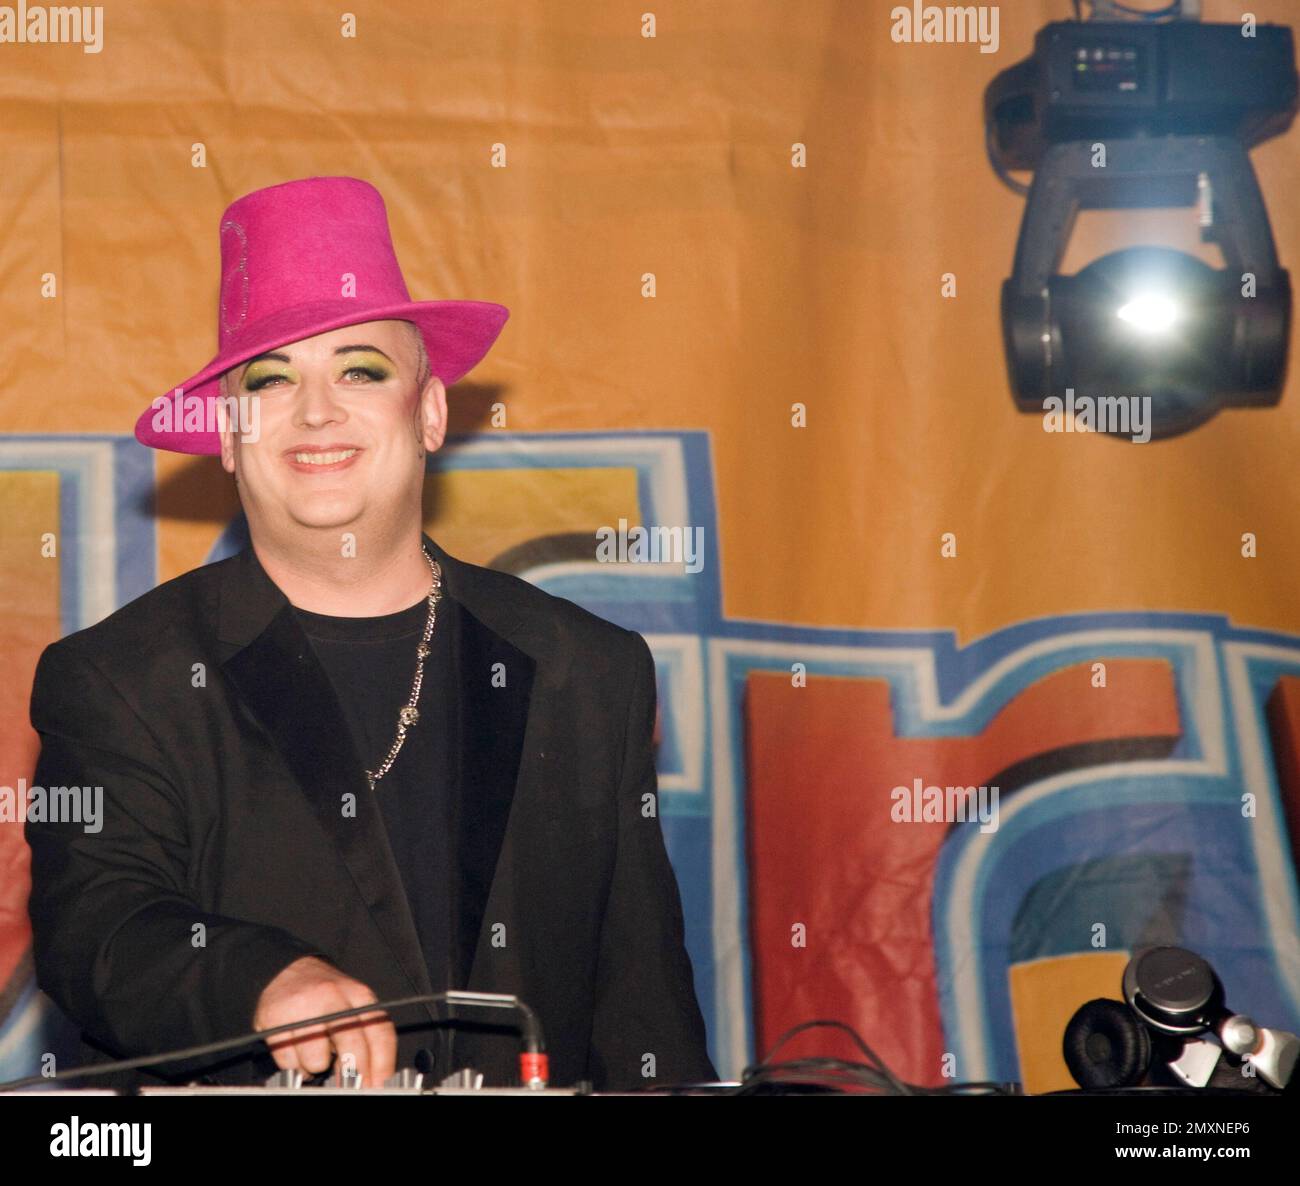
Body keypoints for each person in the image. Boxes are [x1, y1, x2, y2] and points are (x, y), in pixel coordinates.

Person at [25, 175, 715, 1092]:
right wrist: (263, 978)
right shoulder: (119, 679)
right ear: (228, 432)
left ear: (429, 413)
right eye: (271, 380)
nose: (317, 412)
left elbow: (644, 1023)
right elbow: (100, 929)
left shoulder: (586, 673)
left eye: (360, 368)